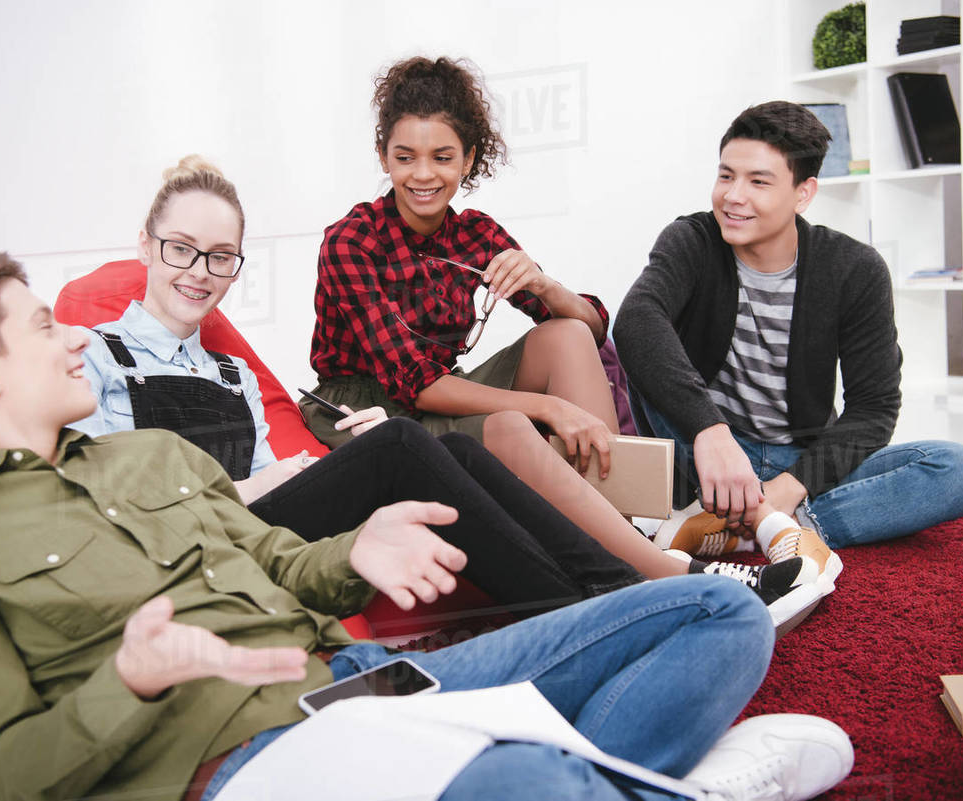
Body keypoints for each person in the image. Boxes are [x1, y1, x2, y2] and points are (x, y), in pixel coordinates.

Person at [0, 253, 855, 801]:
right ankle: (667, 788)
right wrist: (127, 679)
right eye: (43, 325)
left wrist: (358, 548)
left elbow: (280, 561)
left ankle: (621, 784)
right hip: (234, 758)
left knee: (719, 617)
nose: (75, 334)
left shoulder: (150, 457)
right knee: (524, 782)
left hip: (354, 684)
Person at [67, 156, 815, 622]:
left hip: (266, 520)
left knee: (450, 450)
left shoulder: (230, 371)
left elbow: (273, 480)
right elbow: (106, 496)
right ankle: (644, 589)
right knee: (403, 439)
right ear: (145, 246)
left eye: (220, 257)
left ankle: (630, 586)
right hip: (200, 533)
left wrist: (302, 468)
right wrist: (266, 481)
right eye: (181, 250)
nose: (199, 272)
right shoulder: (91, 354)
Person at [304, 56, 816, 592]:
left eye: (443, 157)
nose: (423, 174)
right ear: (384, 157)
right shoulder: (351, 240)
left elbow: (594, 328)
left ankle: (625, 530)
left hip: (440, 393)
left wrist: (543, 285)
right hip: (368, 412)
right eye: (405, 157)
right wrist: (549, 407)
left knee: (566, 335)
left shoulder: (474, 233)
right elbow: (418, 384)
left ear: (468, 158)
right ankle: (668, 572)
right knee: (511, 424)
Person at [614, 101, 963, 584]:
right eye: (726, 176)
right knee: (648, 348)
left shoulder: (854, 269)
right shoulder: (692, 240)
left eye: (759, 181)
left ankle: (757, 526)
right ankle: (773, 525)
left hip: (801, 459)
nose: (733, 196)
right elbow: (636, 321)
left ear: (803, 193)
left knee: (957, 470)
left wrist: (793, 486)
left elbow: (874, 407)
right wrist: (711, 431)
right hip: (705, 459)